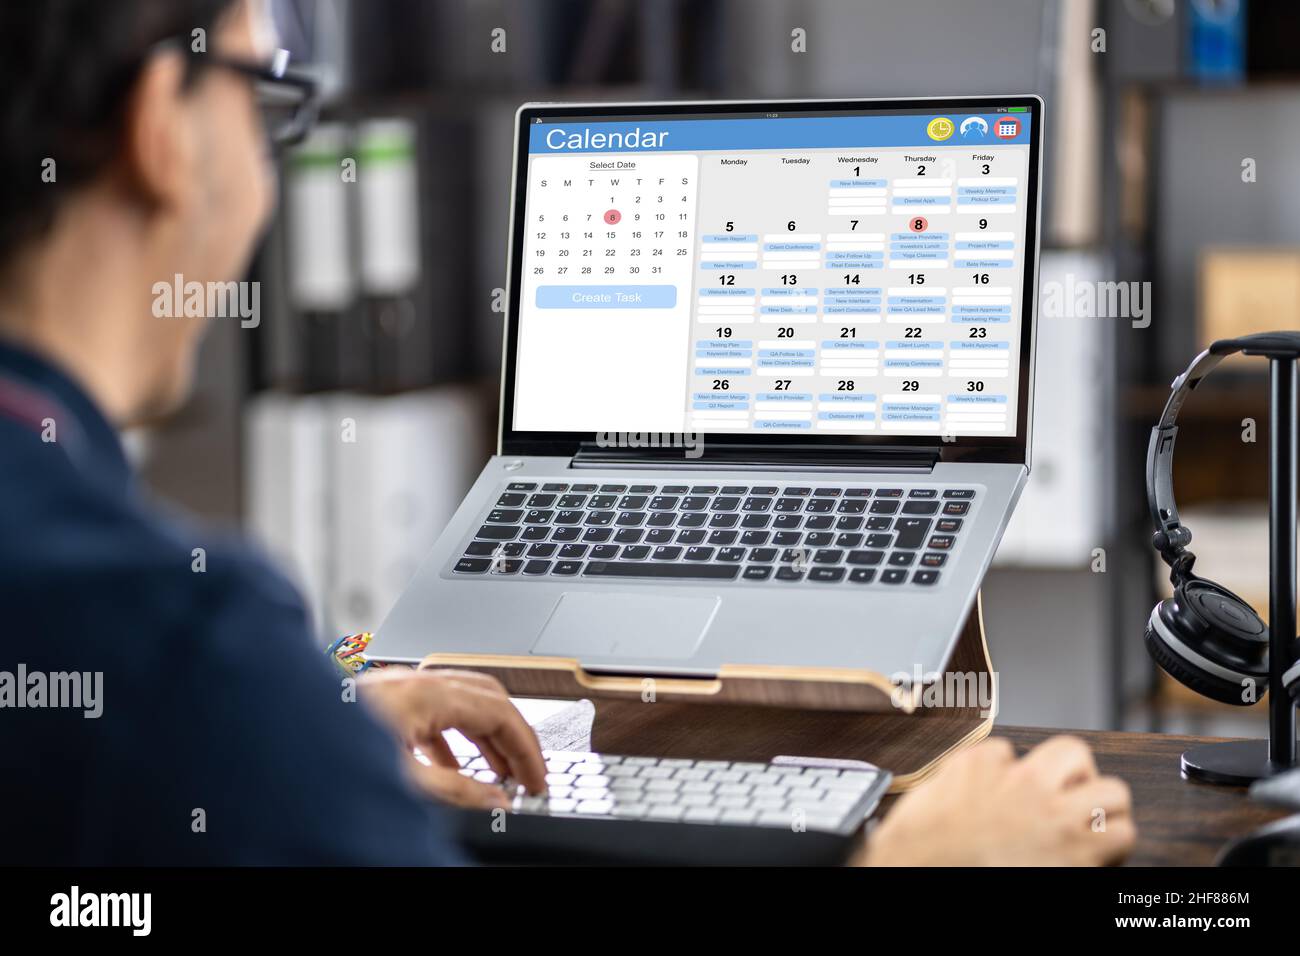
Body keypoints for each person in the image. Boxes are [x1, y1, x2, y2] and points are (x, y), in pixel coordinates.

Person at [0, 0, 1135, 866]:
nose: (264, 171)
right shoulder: (183, 640)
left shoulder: (169, 652)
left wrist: (298, 735)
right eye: (264, 102)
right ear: (161, 127)